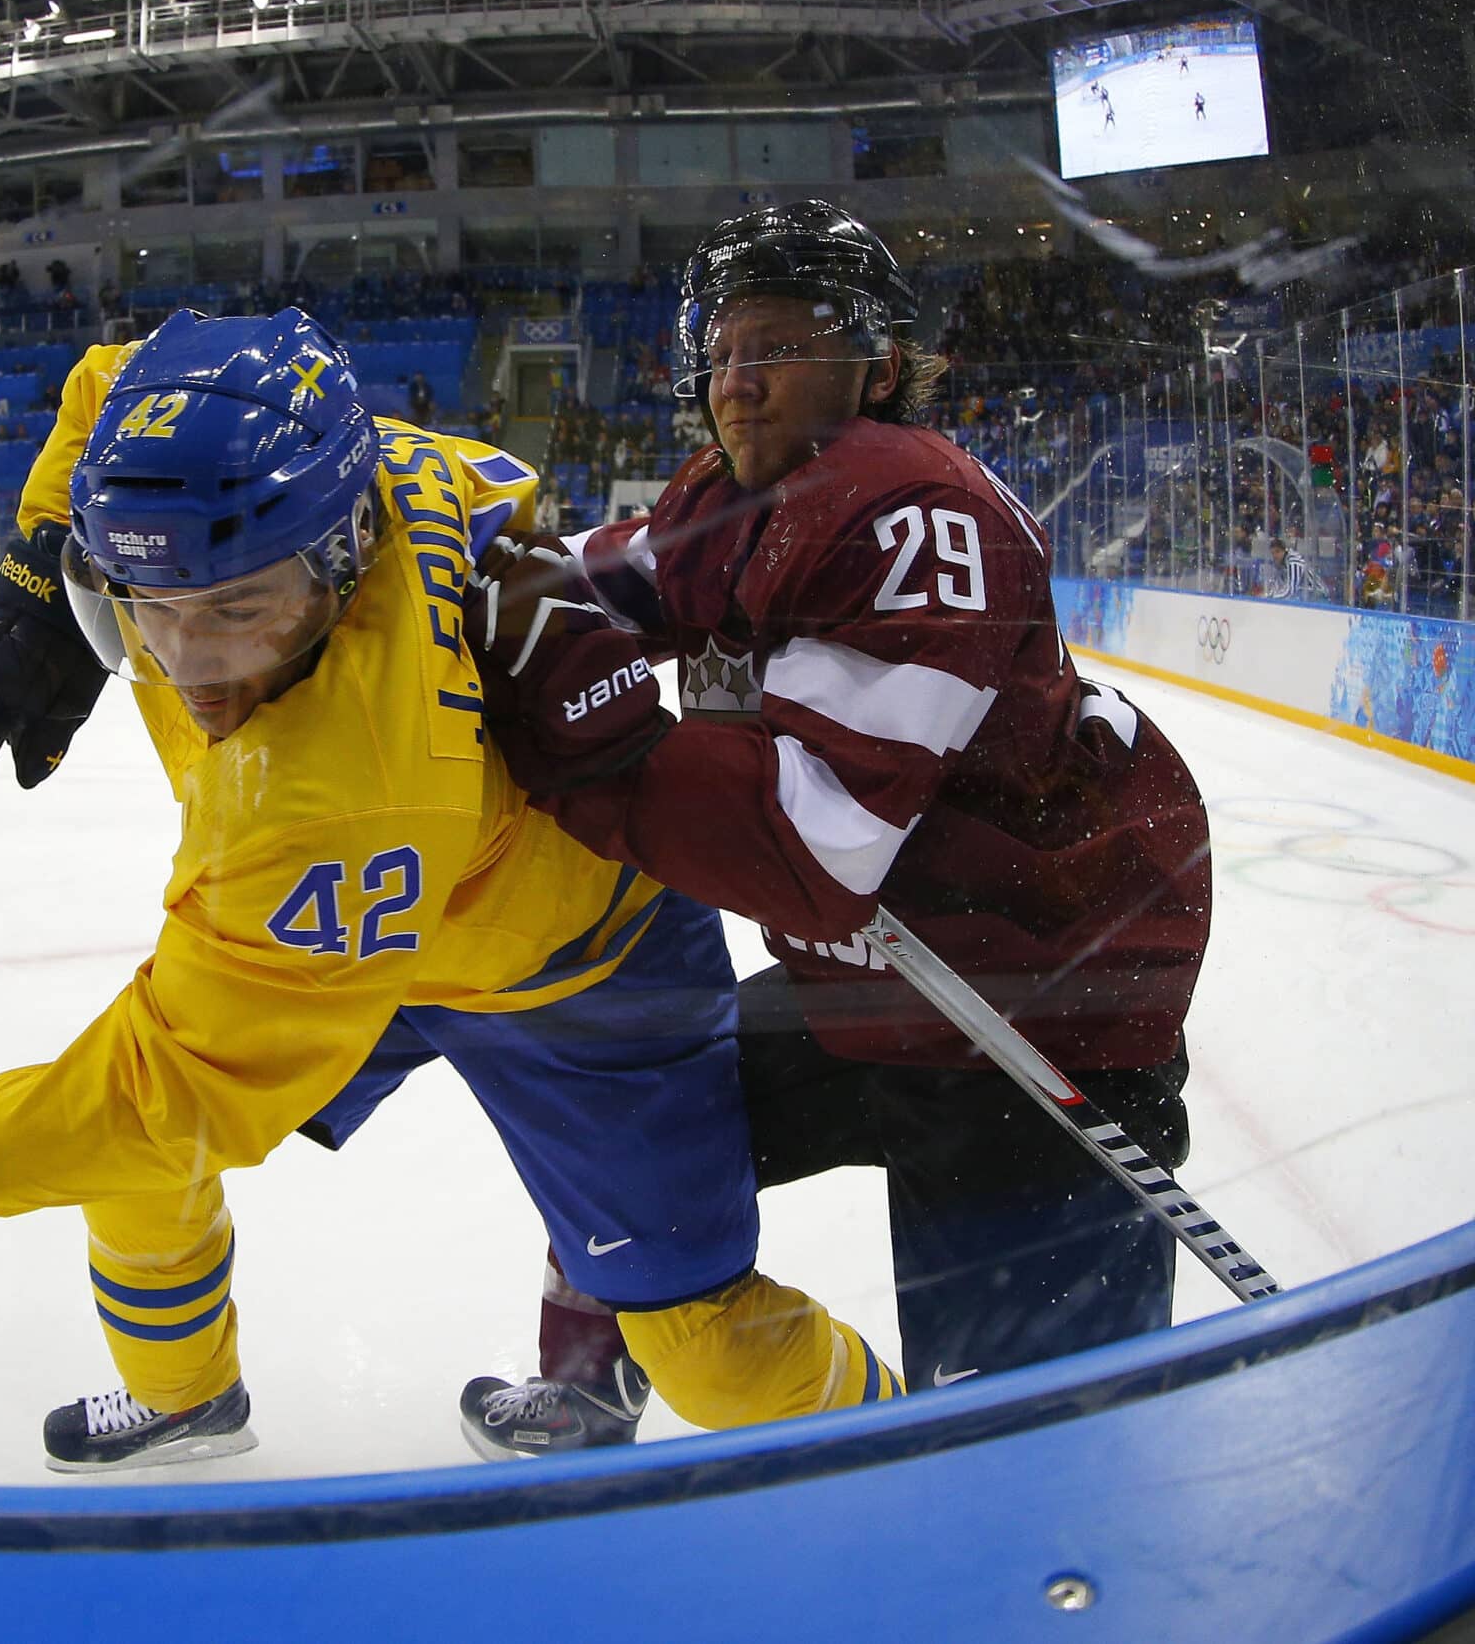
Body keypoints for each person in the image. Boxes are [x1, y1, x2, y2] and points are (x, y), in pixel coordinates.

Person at [0, 309, 897, 1473]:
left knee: (709, 1352)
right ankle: (182, 1391)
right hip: (425, 899)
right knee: (129, 1166)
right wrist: (46, 579)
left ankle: (923, 1438)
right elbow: (118, 377)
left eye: (241, 616)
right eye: (150, 614)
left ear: (339, 558)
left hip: (575, 965)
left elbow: (169, 1091)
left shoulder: (334, 790)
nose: (198, 678)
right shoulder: (297, 461)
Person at [457, 201, 1211, 1430]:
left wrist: (577, 738)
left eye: (778, 347)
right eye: (722, 351)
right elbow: (603, 579)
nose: (737, 384)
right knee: (621, 1116)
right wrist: (459, 565)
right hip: (884, 984)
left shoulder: (913, 514)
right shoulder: (742, 492)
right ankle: (590, 1382)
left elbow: (810, 851)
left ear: (875, 361)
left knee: (1041, 1457)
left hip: (1043, 1006)